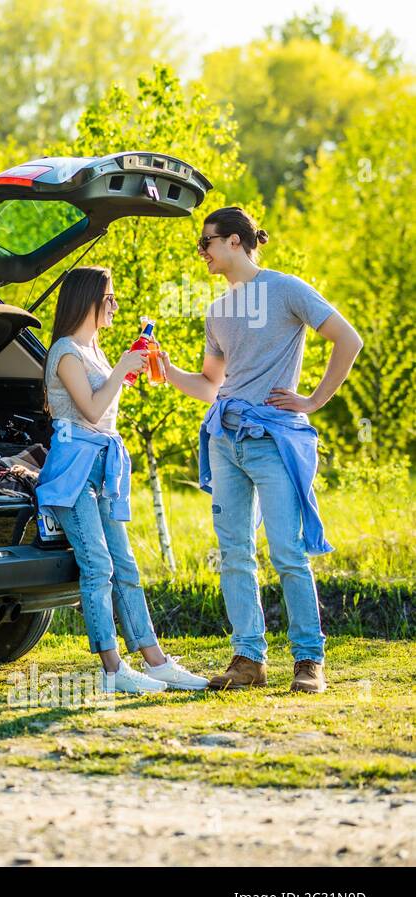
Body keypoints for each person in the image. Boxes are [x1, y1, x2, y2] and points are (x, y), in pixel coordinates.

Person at [161, 207, 363, 693]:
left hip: (274, 439)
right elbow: (213, 385)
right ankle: (248, 659)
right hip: (225, 440)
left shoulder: (286, 289)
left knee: (289, 553)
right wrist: (166, 371)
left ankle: (309, 661)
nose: (201, 253)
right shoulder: (216, 311)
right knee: (234, 553)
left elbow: (348, 339)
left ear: (233, 241)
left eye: (205, 243)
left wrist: (314, 400)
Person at [36, 266, 208, 695]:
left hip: (103, 467)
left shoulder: (93, 349)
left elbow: (105, 410)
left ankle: (156, 661)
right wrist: (121, 371)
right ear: (87, 301)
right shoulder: (66, 352)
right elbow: (91, 412)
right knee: (99, 565)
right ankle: (112, 669)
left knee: (126, 565)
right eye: (108, 297)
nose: (114, 305)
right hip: (73, 472)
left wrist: (135, 366)